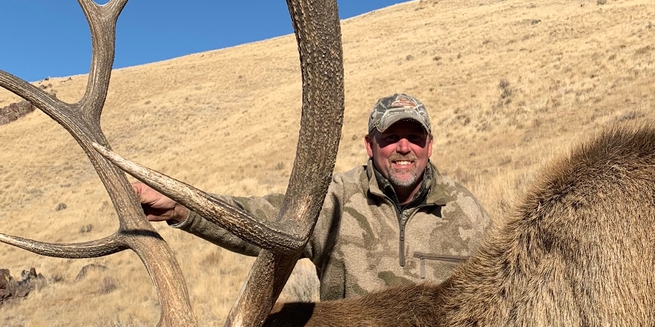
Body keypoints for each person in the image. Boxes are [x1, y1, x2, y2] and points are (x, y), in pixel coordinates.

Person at [133, 93, 491, 301]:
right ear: (370, 145)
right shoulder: (334, 199)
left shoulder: (468, 214)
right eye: (389, 136)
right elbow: (260, 218)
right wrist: (182, 206)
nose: (403, 147)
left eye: (414, 137)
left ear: (429, 145)